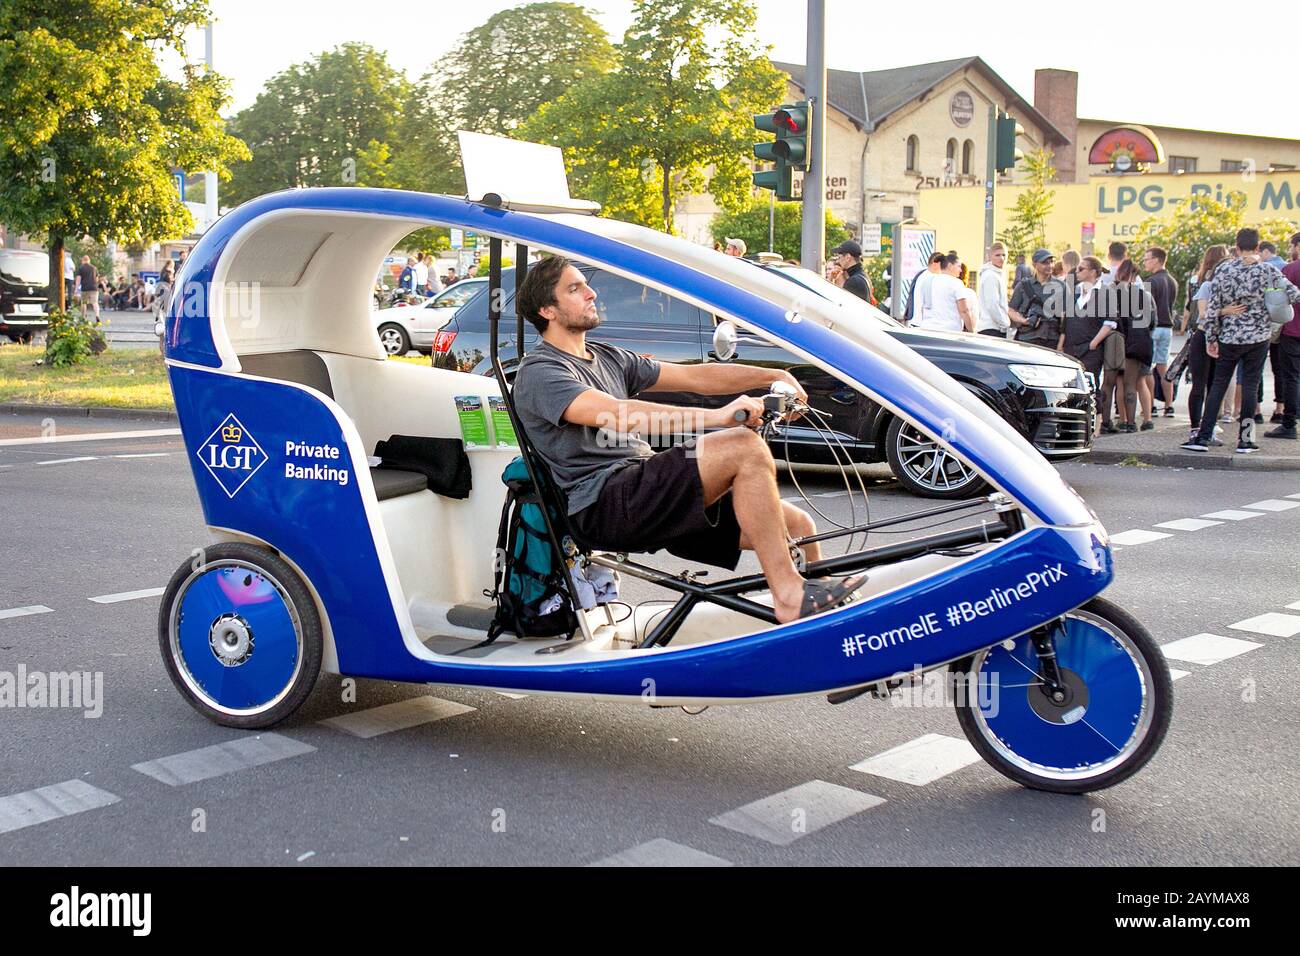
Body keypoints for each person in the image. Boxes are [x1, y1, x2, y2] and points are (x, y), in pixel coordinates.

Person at [511, 255, 863, 624]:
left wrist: (773, 374)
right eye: (574, 288)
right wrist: (718, 418)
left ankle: (822, 610)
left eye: (585, 284)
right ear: (546, 309)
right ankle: (790, 596)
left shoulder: (607, 358)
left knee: (798, 525)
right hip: (607, 502)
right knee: (744, 448)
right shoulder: (541, 372)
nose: (591, 292)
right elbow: (618, 414)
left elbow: (698, 377)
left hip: (647, 489)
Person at [1182, 228, 1300, 453]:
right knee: (1250, 385)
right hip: (1259, 336)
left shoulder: (1224, 269)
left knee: (1218, 384)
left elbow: (1214, 306)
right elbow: (1294, 294)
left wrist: (1212, 337)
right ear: (1257, 248)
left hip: (1229, 336)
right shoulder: (1267, 270)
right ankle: (1245, 440)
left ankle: (1203, 436)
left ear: (1236, 247)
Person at [1058, 256, 1113, 435]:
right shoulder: (1075, 291)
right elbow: (1066, 322)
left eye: (1082, 269)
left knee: (1091, 385)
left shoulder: (1104, 292)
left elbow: (1110, 322)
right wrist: (1061, 344)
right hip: (1071, 347)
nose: (1077, 271)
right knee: (1069, 386)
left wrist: (1093, 343)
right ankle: (1073, 424)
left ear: (1093, 272)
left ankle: (1096, 425)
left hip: (1090, 348)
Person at [1185, 245, 1233, 444]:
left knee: (1215, 385)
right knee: (1199, 384)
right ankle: (1196, 428)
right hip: (1203, 337)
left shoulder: (1230, 289)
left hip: (1221, 339)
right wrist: (1225, 311)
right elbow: (1203, 315)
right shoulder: (1206, 285)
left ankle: (1208, 426)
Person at [1115, 259, 1155, 431]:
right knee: (1141, 381)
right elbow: (1153, 321)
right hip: (1142, 343)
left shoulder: (1112, 293)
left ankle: (1124, 420)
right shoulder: (1145, 295)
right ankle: (1147, 419)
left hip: (1121, 343)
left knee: (1121, 382)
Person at [1268, 232, 1300, 439]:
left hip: (1292, 330)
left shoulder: (1290, 269)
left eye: (1292, 246)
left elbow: (1277, 301)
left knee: (1292, 378)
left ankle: (1289, 424)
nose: (1290, 250)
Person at [1142, 246, 1178, 417]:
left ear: (1156, 260)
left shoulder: (1150, 282)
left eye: (1147, 259)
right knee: (1163, 368)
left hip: (1154, 327)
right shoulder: (1172, 281)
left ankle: (1151, 406)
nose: (1145, 262)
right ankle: (1169, 406)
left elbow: (1145, 307)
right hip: (1167, 328)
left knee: (1147, 368)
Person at [1008, 249, 1063, 348]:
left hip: (1051, 339)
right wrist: (1023, 320)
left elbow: (1066, 318)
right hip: (1027, 338)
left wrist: (1061, 344)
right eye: (1044, 263)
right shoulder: (1024, 285)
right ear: (1034, 264)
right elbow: (1011, 310)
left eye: (1051, 262)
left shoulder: (1061, 286)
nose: (1049, 266)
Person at [915, 252, 974, 332]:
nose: (960, 270)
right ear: (950, 265)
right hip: (949, 331)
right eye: (959, 266)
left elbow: (922, 306)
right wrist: (971, 330)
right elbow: (964, 310)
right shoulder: (956, 283)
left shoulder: (928, 281)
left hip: (927, 328)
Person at [976, 242, 1011, 337]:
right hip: (991, 328)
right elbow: (992, 304)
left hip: (994, 327)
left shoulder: (997, 274)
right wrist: (1005, 323)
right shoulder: (990, 276)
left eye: (1004, 255)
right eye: (997, 255)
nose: (1002, 258)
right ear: (990, 256)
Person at [904, 251, 945, 324]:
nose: (943, 270)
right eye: (942, 266)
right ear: (936, 264)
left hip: (916, 320)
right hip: (922, 322)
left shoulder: (922, 274)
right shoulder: (931, 278)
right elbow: (929, 303)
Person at [75, 255, 99, 322]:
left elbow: (78, 279)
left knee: (84, 303)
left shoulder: (81, 268)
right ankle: (97, 315)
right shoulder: (94, 268)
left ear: (83, 260)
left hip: (85, 288)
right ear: (89, 260)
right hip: (94, 288)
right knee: (95, 303)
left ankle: (83, 317)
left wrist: (76, 289)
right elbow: (97, 279)